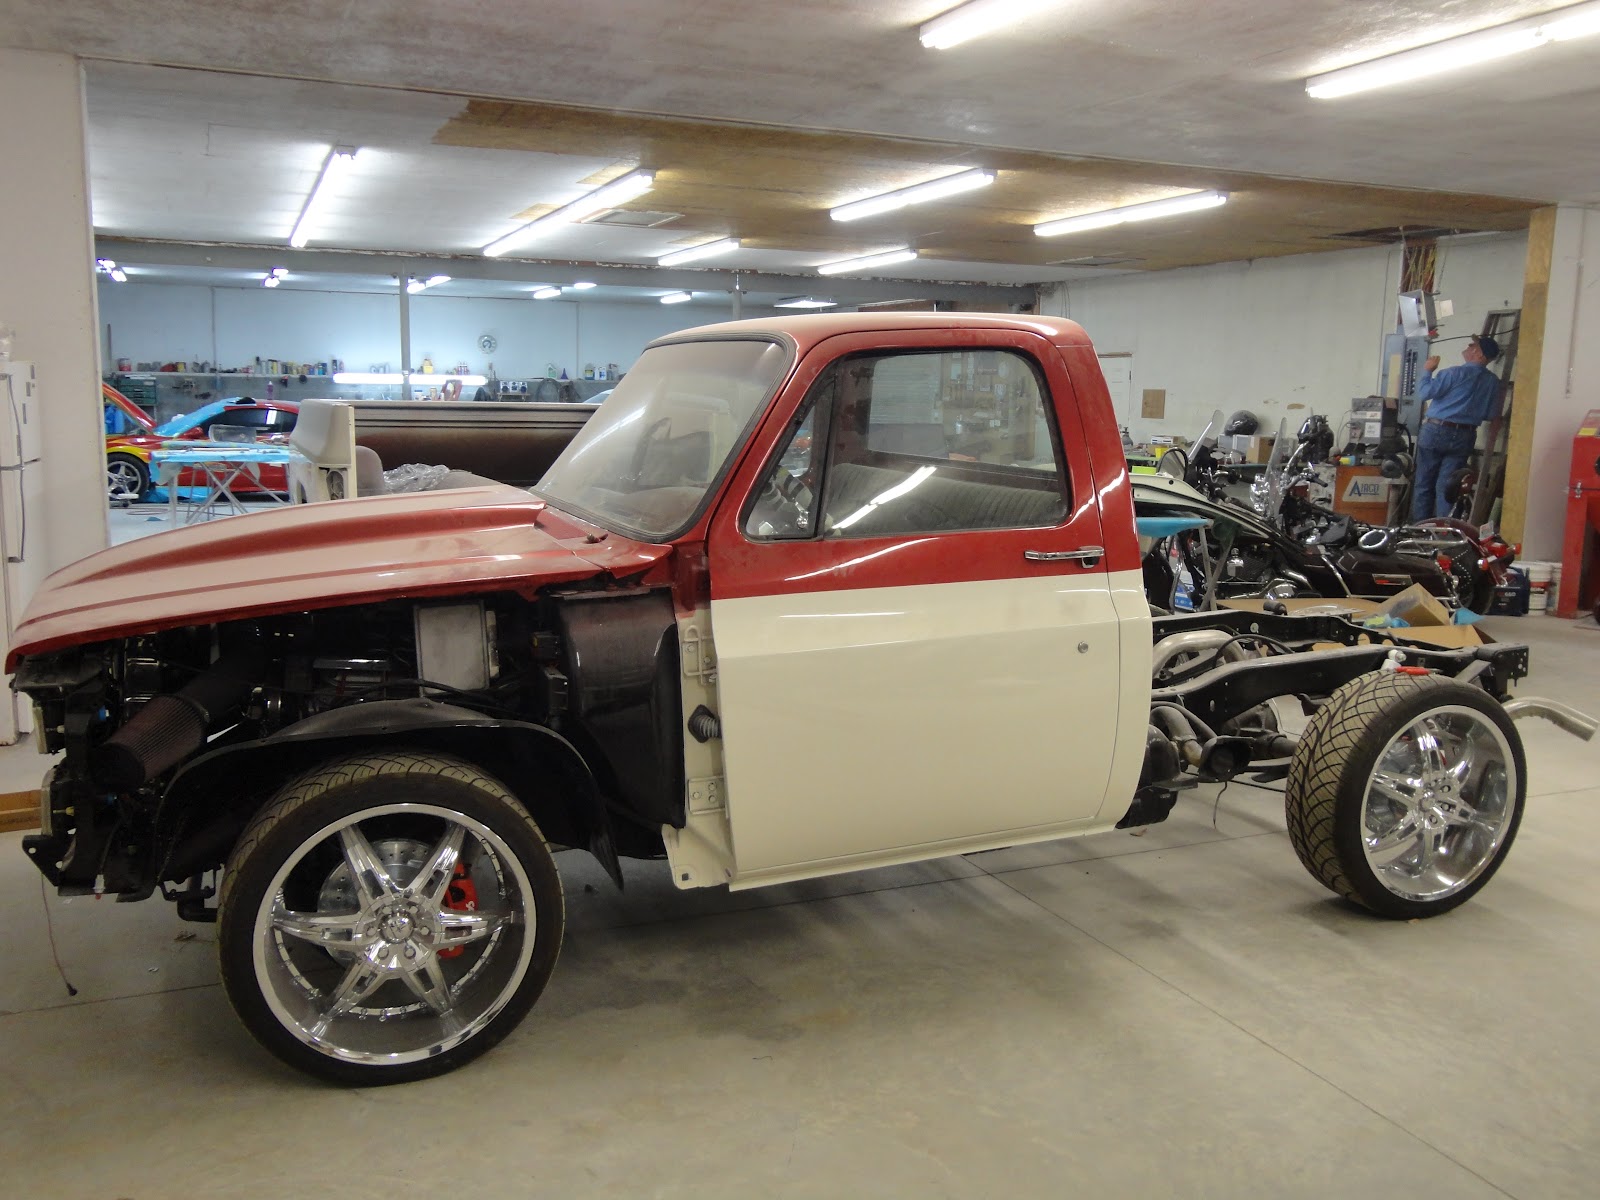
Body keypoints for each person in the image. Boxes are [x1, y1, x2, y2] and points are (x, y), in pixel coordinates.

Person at [1411, 333, 1501, 521]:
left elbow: (1424, 393)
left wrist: (1427, 370)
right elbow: (1489, 414)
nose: (1469, 347)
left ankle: (1419, 528)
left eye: (1473, 346)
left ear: (1479, 354)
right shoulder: (1493, 382)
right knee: (1449, 486)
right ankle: (1444, 530)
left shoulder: (1453, 373)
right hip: (1465, 435)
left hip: (1436, 430)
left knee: (1424, 483)